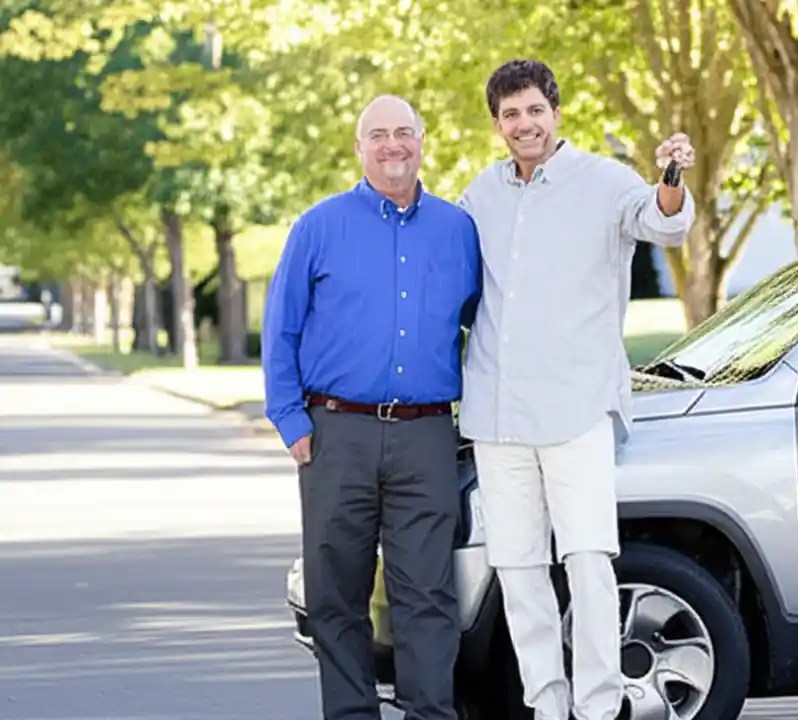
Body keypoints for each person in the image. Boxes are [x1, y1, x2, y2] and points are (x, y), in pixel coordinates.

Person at [457, 59, 695, 720]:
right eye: (510, 114)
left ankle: (596, 707)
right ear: (497, 123)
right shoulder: (482, 193)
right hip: (497, 413)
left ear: (554, 112)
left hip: (576, 408)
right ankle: (547, 705)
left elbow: (664, 221)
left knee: (588, 561)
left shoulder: (605, 181)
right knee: (517, 568)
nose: (523, 124)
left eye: (533, 110)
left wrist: (672, 175)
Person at [262, 94, 481, 720]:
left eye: (404, 132)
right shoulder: (318, 227)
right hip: (336, 434)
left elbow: (481, 328)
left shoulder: (457, 230)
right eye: (378, 134)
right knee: (337, 596)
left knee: (428, 596)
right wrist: (291, 421)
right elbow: (282, 328)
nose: (393, 145)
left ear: (421, 141)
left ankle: (429, 714)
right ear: (359, 148)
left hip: (427, 436)